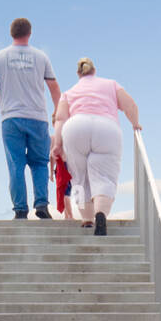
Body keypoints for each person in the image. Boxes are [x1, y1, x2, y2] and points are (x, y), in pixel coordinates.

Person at [0, 18, 61, 219]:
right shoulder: (41, 57)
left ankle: (20, 209)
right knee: (40, 162)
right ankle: (41, 205)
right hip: (37, 118)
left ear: (11, 34)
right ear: (30, 33)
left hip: (11, 118)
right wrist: (58, 112)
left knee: (15, 164)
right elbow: (54, 87)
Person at [52, 58, 141, 236]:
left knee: (79, 178)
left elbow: (60, 118)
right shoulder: (111, 85)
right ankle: (100, 214)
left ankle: (86, 220)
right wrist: (135, 124)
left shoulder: (69, 93)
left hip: (75, 127)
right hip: (106, 128)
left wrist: (57, 144)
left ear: (78, 74)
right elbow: (130, 105)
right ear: (94, 70)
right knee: (104, 177)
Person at [50, 141, 74, 220]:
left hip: (62, 166)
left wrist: (51, 172)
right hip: (67, 165)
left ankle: (69, 216)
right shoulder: (69, 135)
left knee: (64, 192)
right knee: (65, 192)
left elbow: (52, 156)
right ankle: (68, 216)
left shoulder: (55, 138)